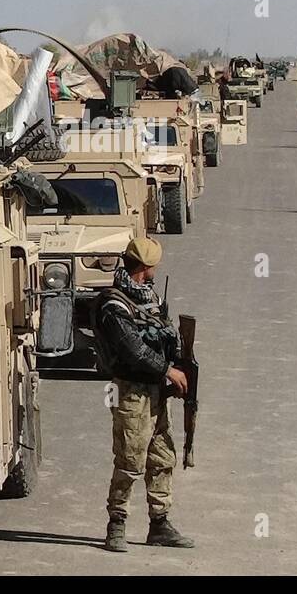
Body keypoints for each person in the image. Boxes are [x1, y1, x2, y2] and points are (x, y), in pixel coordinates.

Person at [95, 236, 194, 552]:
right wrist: (168, 370)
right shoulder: (115, 305)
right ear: (145, 266)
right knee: (130, 460)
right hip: (132, 392)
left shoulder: (148, 297)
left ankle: (160, 523)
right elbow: (132, 349)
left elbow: (161, 335)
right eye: (154, 263)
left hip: (155, 392)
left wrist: (180, 363)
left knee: (162, 457)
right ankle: (117, 524)